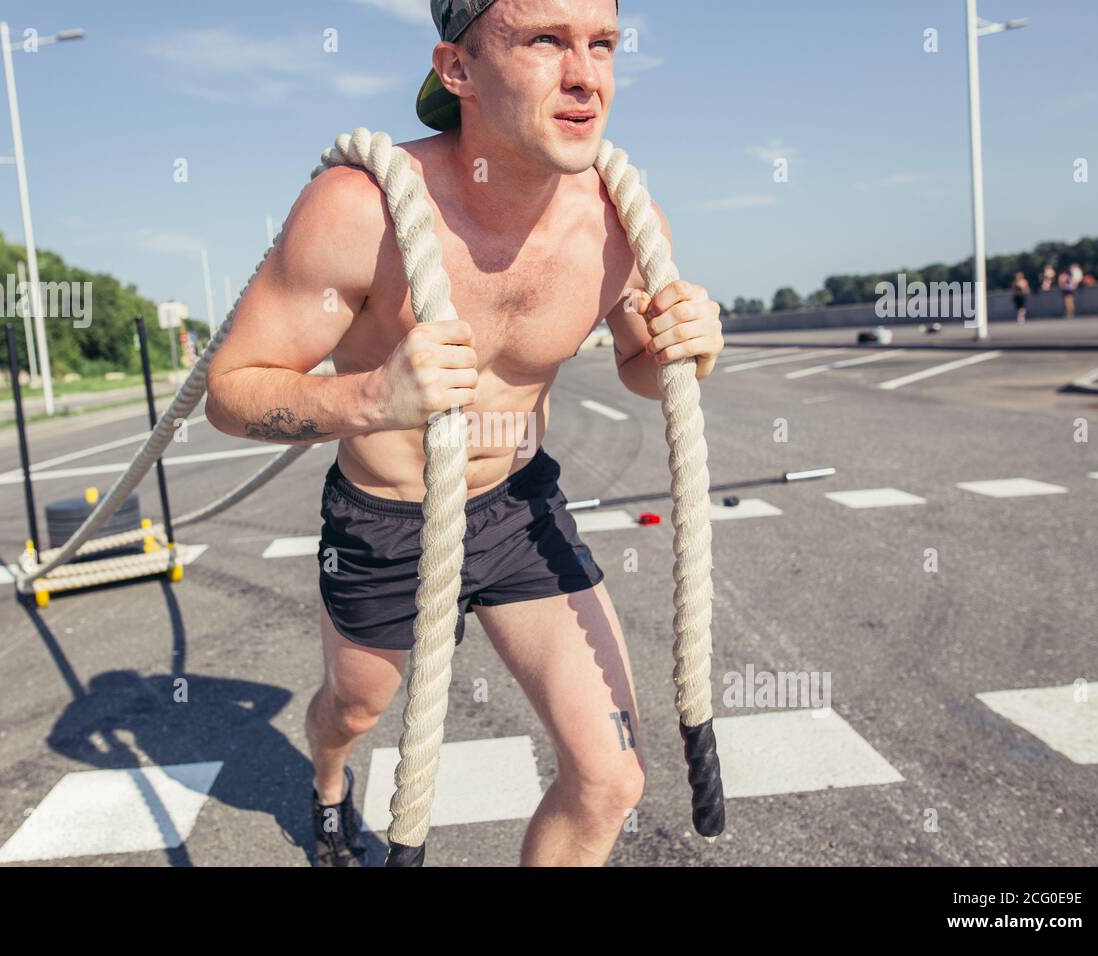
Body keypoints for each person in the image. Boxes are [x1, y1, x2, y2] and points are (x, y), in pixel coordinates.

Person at [204, 0, 724, 867]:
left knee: (611, 780)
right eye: (546, 41)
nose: (586, 77)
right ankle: (327, 779)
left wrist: (686, 346)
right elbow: (232, 391)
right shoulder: (359, 211)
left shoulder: (622, 222)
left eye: (602, 45)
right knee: (357, 707)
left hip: (518, 509)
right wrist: (371, 397)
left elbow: (642, 364)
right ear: (457, 70)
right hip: (385, 515)